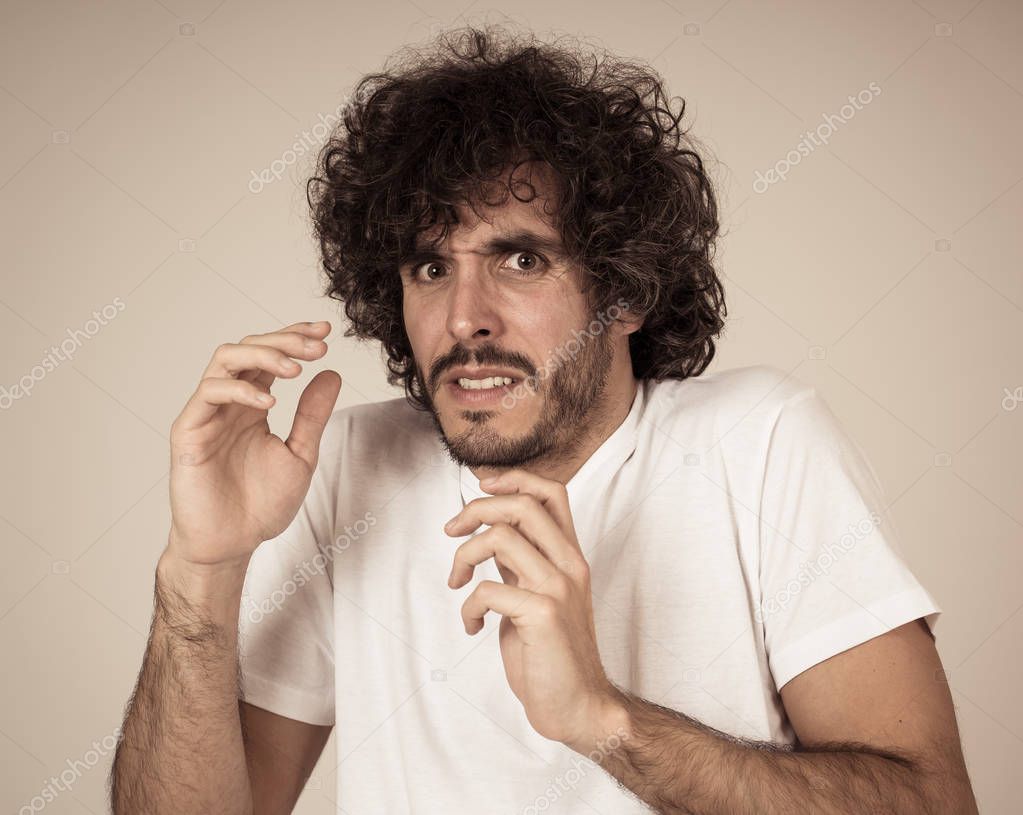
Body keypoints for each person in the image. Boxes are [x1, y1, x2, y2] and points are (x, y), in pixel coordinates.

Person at [109, 24, 978, 814]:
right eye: (428, 268)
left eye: (520, 258)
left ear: (627, 287)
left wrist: (602, 721)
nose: (464, 319)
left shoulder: (758, 440)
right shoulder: (345, 466)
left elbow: (933, 802)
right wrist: (201, 570)